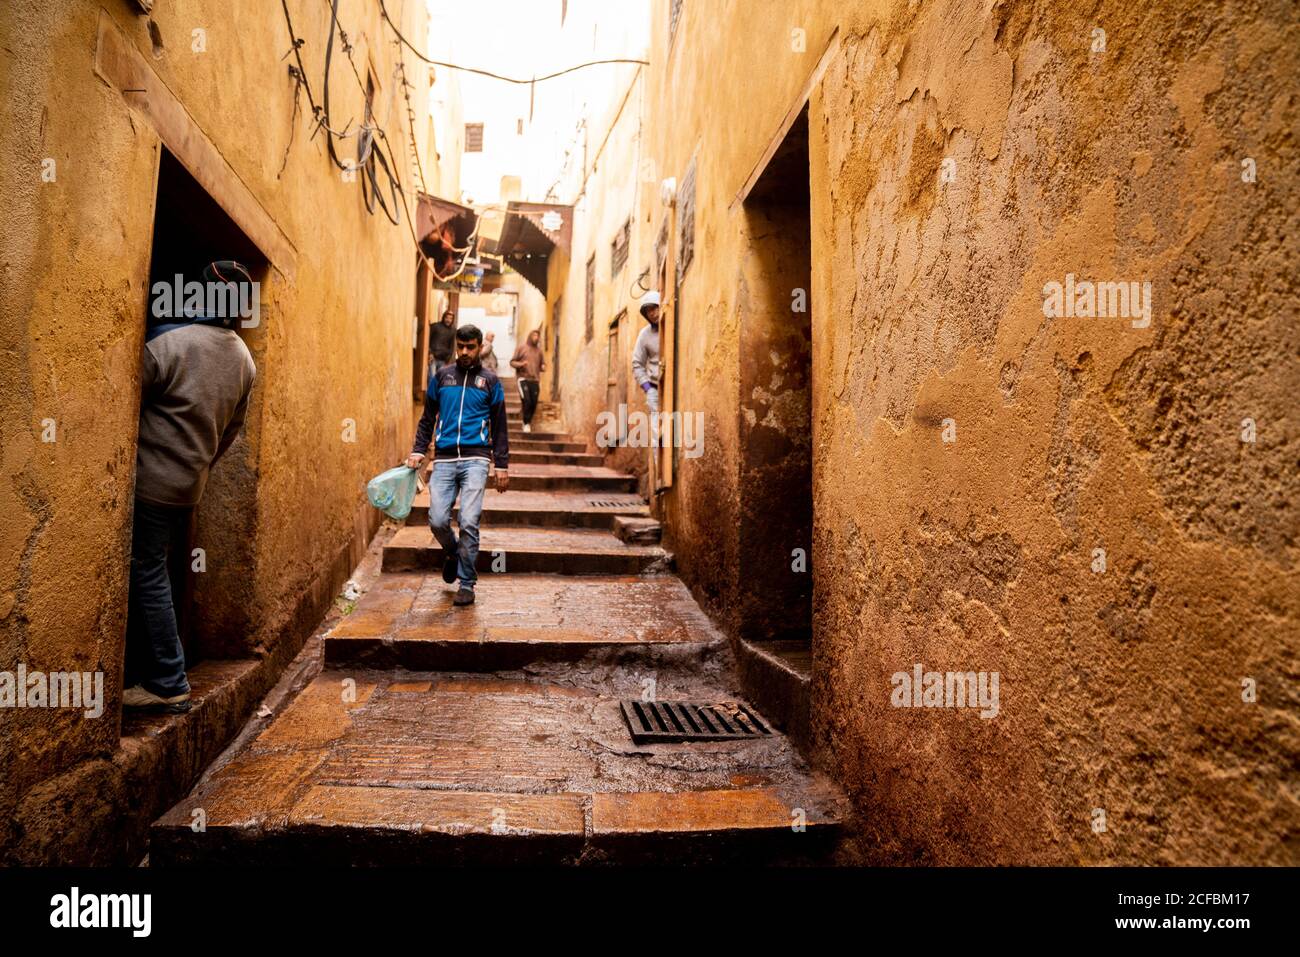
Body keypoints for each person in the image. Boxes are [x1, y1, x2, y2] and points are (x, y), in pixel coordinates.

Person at [124, 260, 257, 713]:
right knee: (164, 573)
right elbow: (229, 434)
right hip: (188, 487)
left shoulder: (168, 342)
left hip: (150, 485)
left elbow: (121, 405)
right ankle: (160, 669)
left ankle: (167, 680)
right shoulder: (243, 358)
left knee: (148, 572)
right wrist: (197, 465)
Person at [405, 324, 509, 606]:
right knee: (437, 520)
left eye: (470, 347)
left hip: (477, 458)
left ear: (479, 347)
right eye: (460, 347)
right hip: (445, 459)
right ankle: (453, 551)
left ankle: (467, 583)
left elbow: (500, 425)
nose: (464, 352)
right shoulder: (442, 377)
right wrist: (418, 450)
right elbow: (427, 419)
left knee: (468, 520)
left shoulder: (490, 381)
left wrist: (501, 464)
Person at [632, 291, 661, 418]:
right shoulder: (644, 334)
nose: (652, 313)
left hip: (677, 386)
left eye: (655, 308)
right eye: (648, 311)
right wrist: (647, 387)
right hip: (654, 388)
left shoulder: (676, 325)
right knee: (657, 429)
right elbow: (637, 363)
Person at [509, 328, 545, 432]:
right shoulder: (521, 348)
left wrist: (543, 366)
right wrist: (521, 364)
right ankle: (526, 422)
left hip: (535, 380)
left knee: (534, 402)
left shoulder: (539, 351)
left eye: (537, 336)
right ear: (530, 336)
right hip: (523, 379)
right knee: (527, 400)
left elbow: (543, 363)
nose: (536, 338)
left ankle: (527, 420)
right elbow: (512, 362)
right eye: (534, 335)